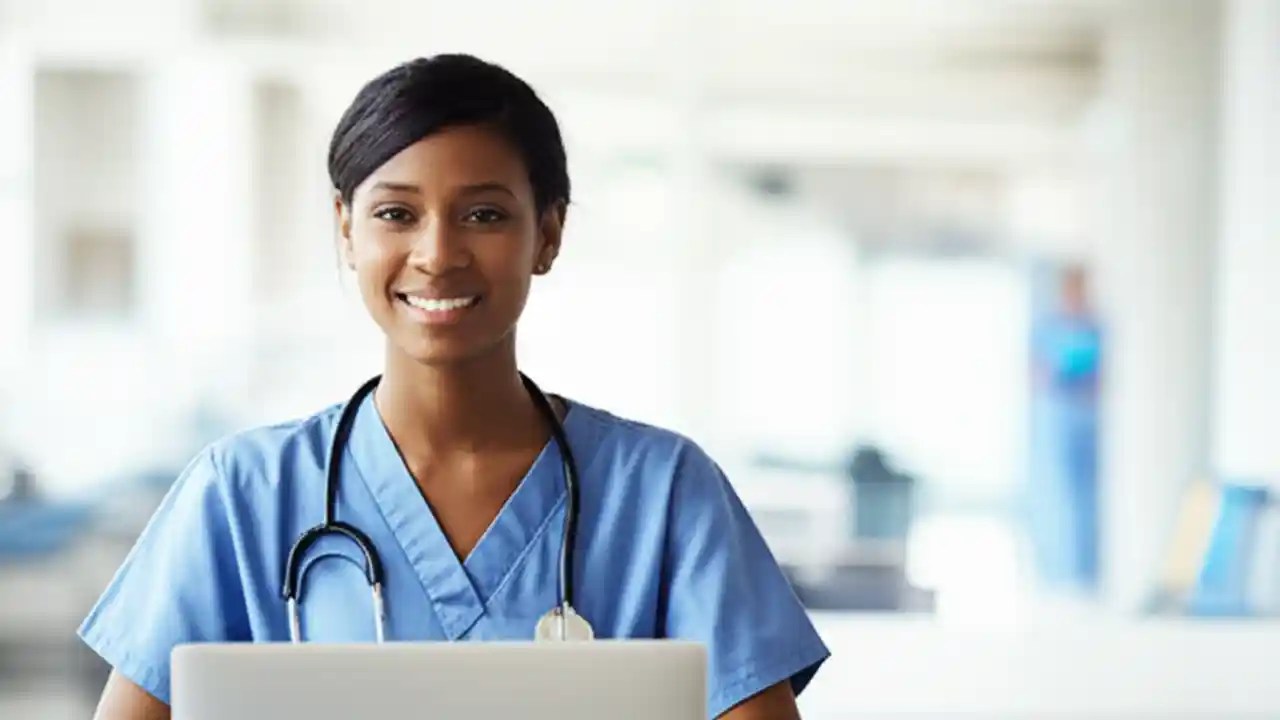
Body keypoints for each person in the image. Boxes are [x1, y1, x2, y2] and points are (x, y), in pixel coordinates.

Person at [79, 54, 829, 719]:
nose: (437, 254)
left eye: (484, 214)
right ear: (346, 230)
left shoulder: (666, 495)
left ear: (549, 234)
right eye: (396, 214)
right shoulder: (240, 496)